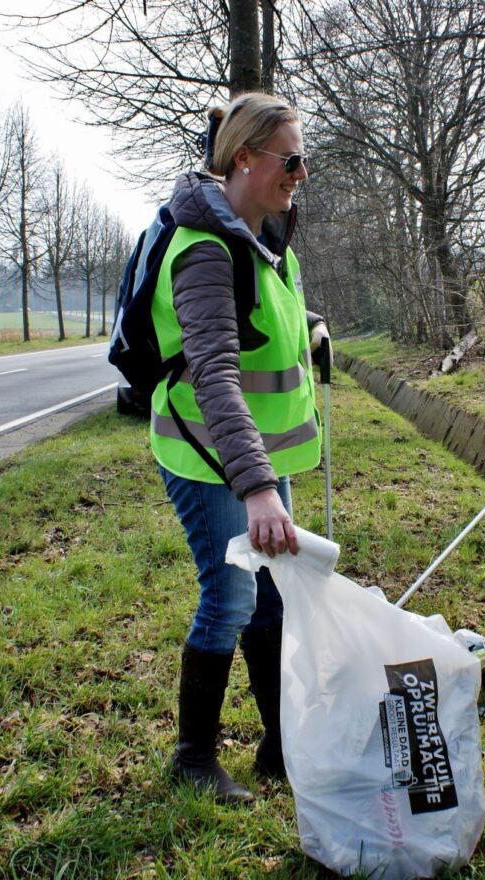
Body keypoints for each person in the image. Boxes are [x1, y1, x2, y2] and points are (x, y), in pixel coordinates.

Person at [150, 93, 328, 804]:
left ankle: (280, 745)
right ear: (244, 157)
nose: (300, 174)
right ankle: (193, 759)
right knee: (229, 595)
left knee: (272, 596)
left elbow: (258, 321)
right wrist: (256, 489)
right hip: (206, 454)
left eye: (303, 160)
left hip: (252, 457)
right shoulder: (203, 248)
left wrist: (309, 328)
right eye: (290, 159)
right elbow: (215, 375)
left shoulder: (265, 238)